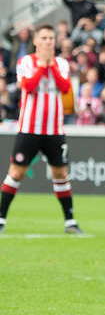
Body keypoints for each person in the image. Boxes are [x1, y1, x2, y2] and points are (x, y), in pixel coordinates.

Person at [0, 25, 81, 234]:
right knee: (16, 173)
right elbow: (28, 86)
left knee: (61, 173)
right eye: (44, 38)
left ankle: (70, 222)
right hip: (29, 128)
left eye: (51, 38)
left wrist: (51, 66)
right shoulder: (25, 62)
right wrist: (42, 67)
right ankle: (1, 219)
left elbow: (64, 88)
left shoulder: (61, 63)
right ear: (35, 41)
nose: (48, 42)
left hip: (54, 130)